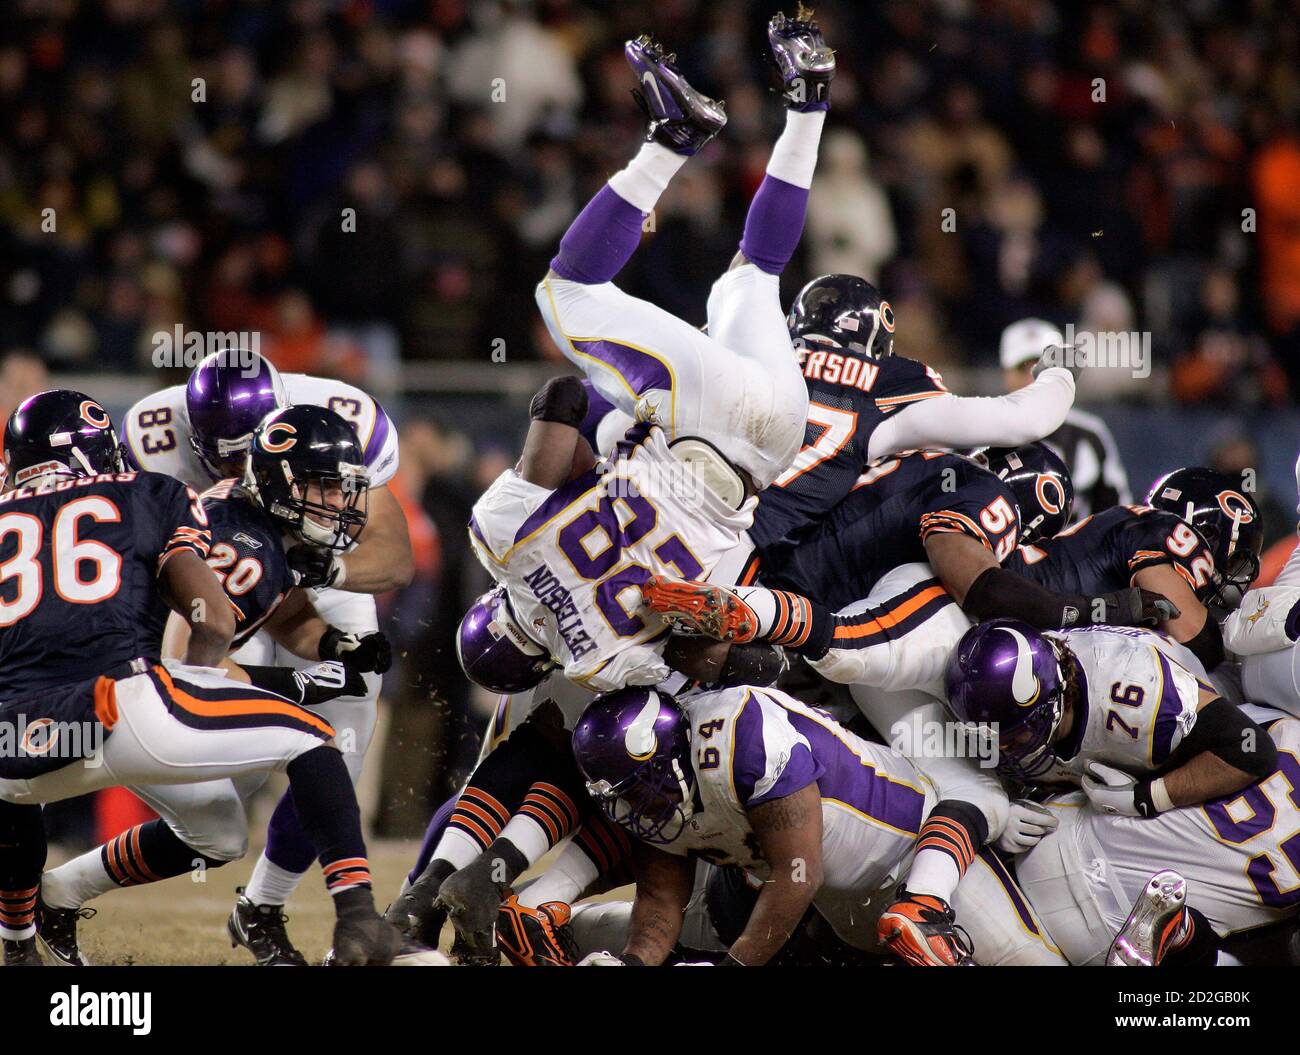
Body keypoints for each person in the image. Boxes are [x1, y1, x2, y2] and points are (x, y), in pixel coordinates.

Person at [0, 391, 421, 967]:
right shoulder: (148, 493)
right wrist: (297, 685)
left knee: (218, 832)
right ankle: (356, 921)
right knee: (312, 741)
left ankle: (24, 934)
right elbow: (209, 625)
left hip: (15, 740)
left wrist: (331, 645)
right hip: (118, 708)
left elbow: (268, 606)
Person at [122, 348, 412, 965]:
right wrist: (289, 682)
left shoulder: (340, 419)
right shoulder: (152, 437)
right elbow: (184, 650)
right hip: (205, 580)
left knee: (349, 729)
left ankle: (262, 906)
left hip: (308, 554)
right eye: (221, 457)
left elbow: (395, 555)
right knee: (230, 770)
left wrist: (327, 570)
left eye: (246, 452)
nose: (237, 467)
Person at [999, 318, 1130, 520]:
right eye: (1023, 367)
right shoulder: (981, 435)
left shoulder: (1089, 433)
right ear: (1006, 374)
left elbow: (1116, 514)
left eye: (1042, 367)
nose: (1033, 377)